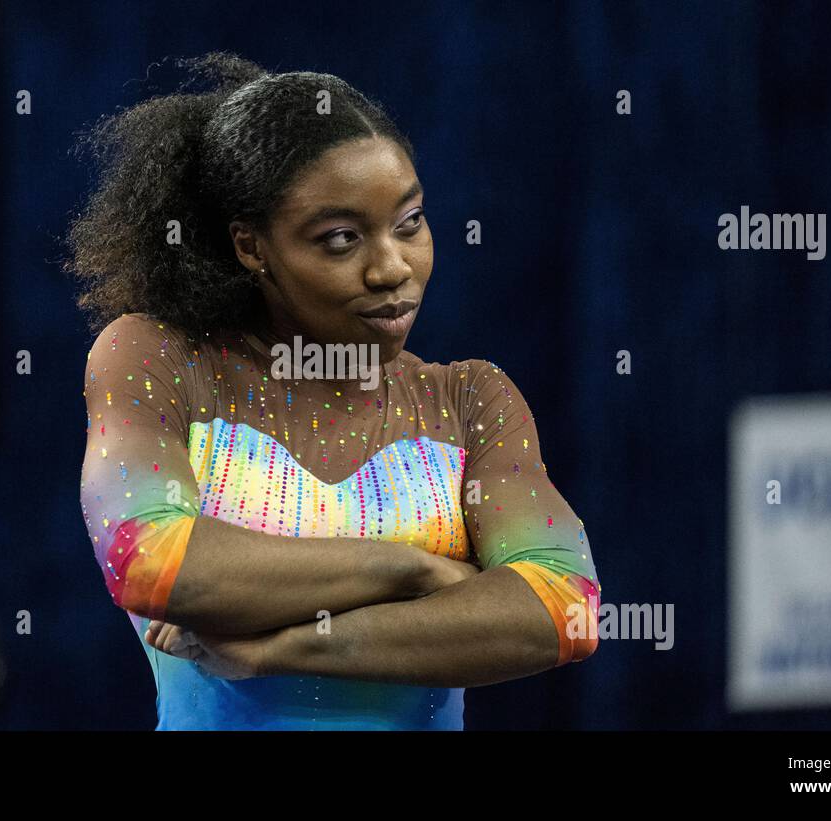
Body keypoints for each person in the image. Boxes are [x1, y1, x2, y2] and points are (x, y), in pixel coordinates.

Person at [68, 52, 600, 730]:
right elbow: (151, 560)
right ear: (251, 246)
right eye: (341, 239)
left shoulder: (471, 401)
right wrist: (414, 571)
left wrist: (288, 644)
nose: (391, 268)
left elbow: (568, 607)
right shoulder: (160, 360)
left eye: (409, 223)